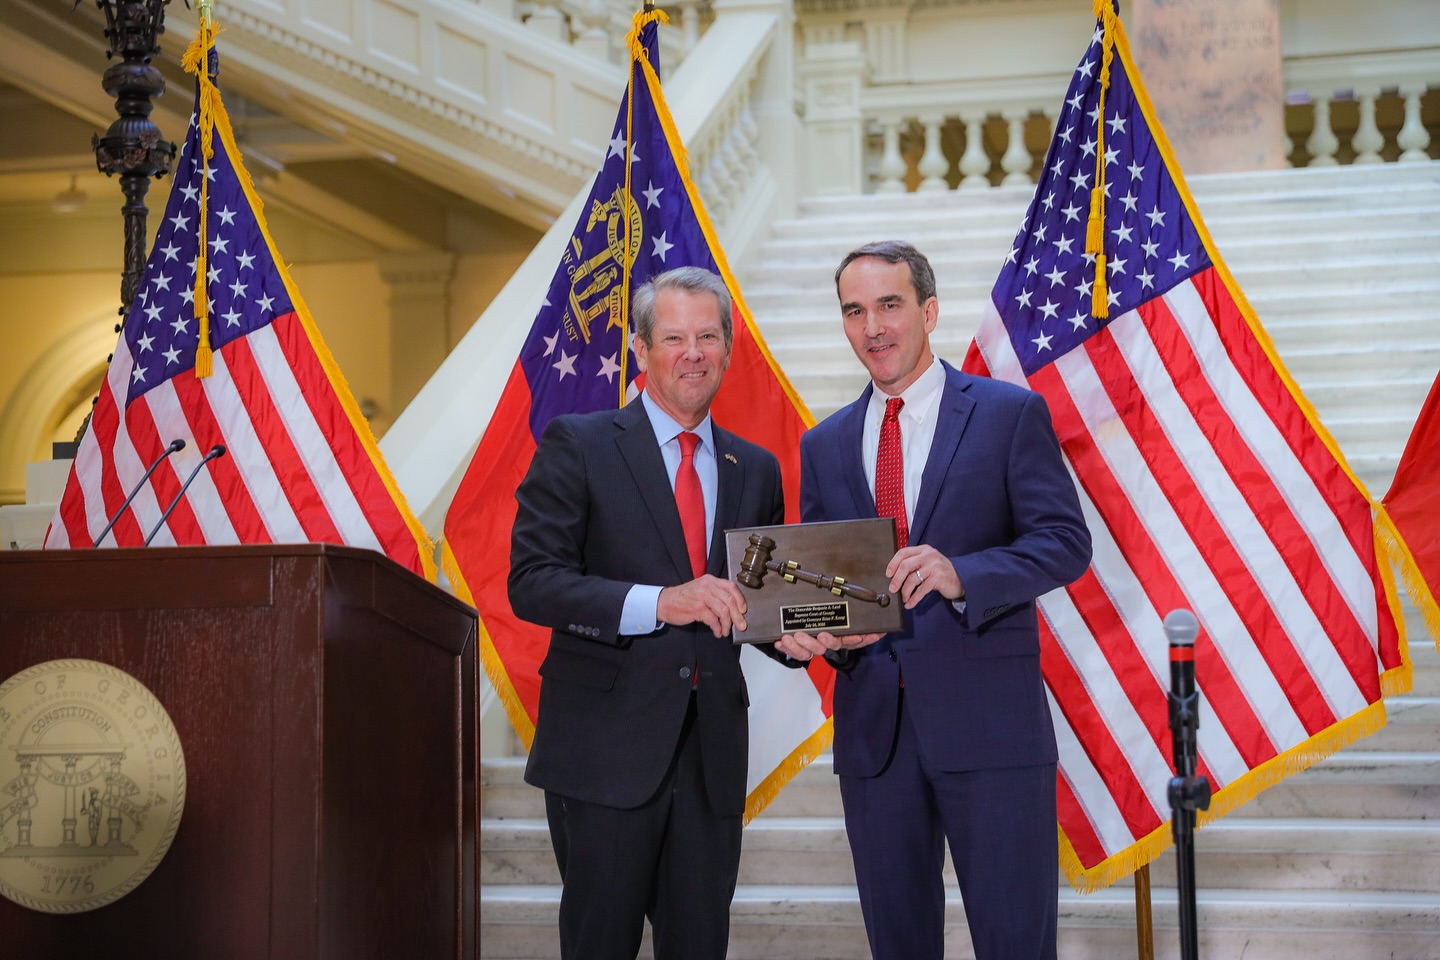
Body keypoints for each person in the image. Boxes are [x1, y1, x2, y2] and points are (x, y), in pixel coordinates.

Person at [776, 241, 1092, 960]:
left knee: (1015, 944)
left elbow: (1066, 542)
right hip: (875, 739)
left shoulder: (1009, 415)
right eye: (854, 311)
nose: (873, 327)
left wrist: (963, 574)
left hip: (992, 733)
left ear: (928, 310)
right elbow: (825, 586)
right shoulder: (823, 444)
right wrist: (811, 634)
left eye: (889, 305)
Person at [509, 265, 787, 960]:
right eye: (673, 337)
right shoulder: (579, 443)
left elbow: (753, 607)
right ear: (640, 348)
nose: (692, 353)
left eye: (707, 336)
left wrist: (815, 638)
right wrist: (661, 602)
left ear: (727, 347)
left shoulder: (755, 468)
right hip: (603, 755)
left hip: (711, 758)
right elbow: (533, 582)